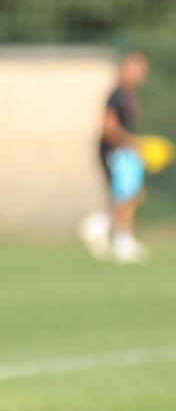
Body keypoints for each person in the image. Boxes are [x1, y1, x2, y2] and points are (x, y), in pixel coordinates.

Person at [79, 51, 150, 263]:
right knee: (125, 197)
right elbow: (108, 127)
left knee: (133, 195)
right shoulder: (117, 95)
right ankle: (121, 242)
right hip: (116, 151)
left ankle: (98, 227)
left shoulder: (129, 94)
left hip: (126, 151)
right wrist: (132, 142)